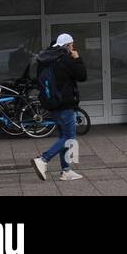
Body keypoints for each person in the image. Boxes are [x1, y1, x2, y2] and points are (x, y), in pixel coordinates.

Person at [31, 33, 87, 182]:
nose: (73, 47)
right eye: (72, 45)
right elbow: (82, 76)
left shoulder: (45, 59)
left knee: (64, 136)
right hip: (65, 104)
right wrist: (77, 58)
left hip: (52, 103)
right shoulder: (66, 59)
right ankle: (43, 159)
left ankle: (66, 171)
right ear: (67, 45)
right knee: (69, 138)